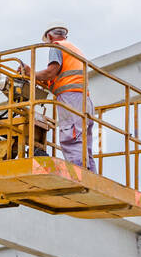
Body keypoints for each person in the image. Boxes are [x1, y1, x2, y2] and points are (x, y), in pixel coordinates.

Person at [33, 26, 96, 172]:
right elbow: (58, 78)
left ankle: (79, 174)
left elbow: (50, 72)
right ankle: (90, 175)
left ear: (49, 36)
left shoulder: (56, 47)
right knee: (85, 142)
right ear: (65, 35)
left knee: (71, 137)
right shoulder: (74, 50)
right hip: (84, 100)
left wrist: (31, 74)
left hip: (70, 99)